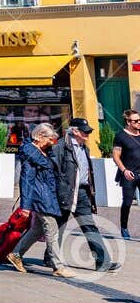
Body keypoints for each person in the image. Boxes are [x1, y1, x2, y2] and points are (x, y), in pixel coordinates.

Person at [52, 117, 118, 272]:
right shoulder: (61, 147)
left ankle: (103, 262)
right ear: (74, 131)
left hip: (82, 193)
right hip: (65, 193)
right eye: (84, 131)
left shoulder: (84, 148)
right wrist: (58, 191)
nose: (87, 134)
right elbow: (54, 172)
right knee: (59, 227)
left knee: (89, 226)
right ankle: (51, 258)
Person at [9, 122, 66, 275]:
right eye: (50, 139)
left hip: (47, 196)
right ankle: (58, 267)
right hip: (41, 198)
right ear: (40, 136)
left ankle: (15, 254)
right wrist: (25, 206)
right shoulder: (31, 153)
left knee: (37, 230)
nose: (51, 143)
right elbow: (26, 180)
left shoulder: (43, 151)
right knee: (52, 230)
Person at [113, 109, 140, 241]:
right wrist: (124, 170)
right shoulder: (120, 136)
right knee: (128, 202)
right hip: (129, 174)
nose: (139, 122)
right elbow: (116, 156)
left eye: (139, 120)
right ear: (128, 122)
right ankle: (124, 227)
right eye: (136, 121)